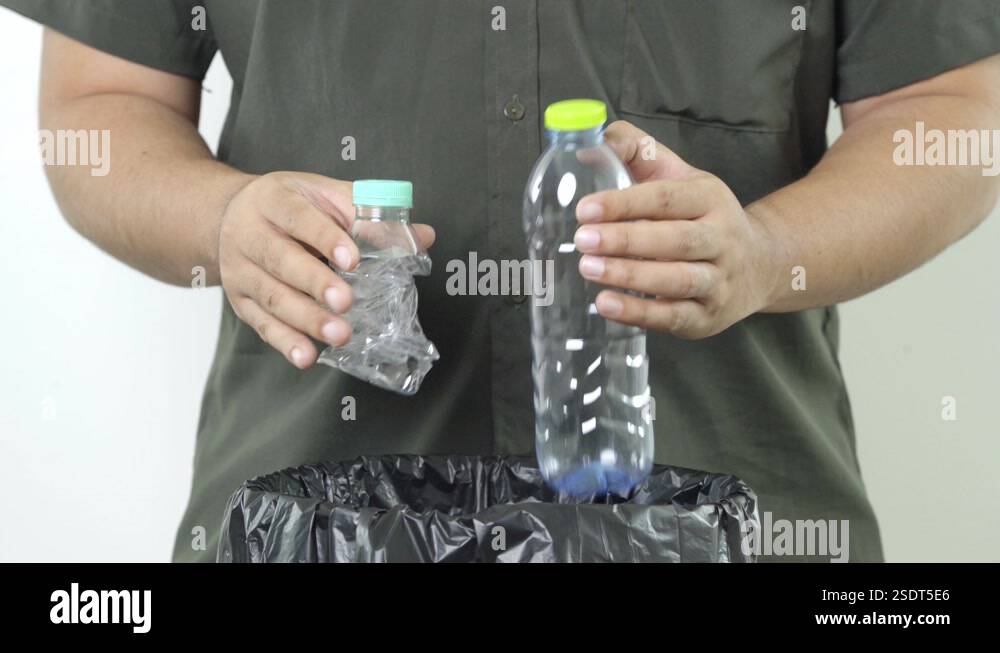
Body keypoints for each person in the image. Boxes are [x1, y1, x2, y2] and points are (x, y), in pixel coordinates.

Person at [4, 0, 998, 563]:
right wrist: (223, 225)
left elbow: (950, 107)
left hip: (742, 531)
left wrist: (764, 246)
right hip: (307, 530)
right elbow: (101, 102)